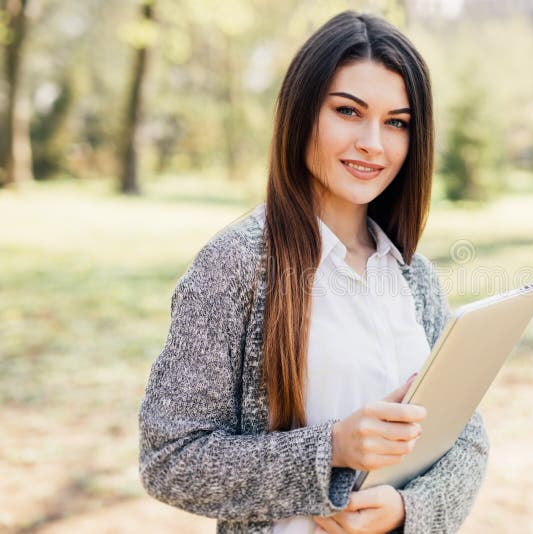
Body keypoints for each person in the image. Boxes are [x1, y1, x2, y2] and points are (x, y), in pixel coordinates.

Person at [138, 10, 489, 534]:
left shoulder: (414, 274)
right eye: (349, 111)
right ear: (301, 113)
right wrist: (332, 450)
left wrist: (406, 511)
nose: (374, 142)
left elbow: (467, 437)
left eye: (397, 122)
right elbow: (168, 458)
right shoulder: (236, 266)